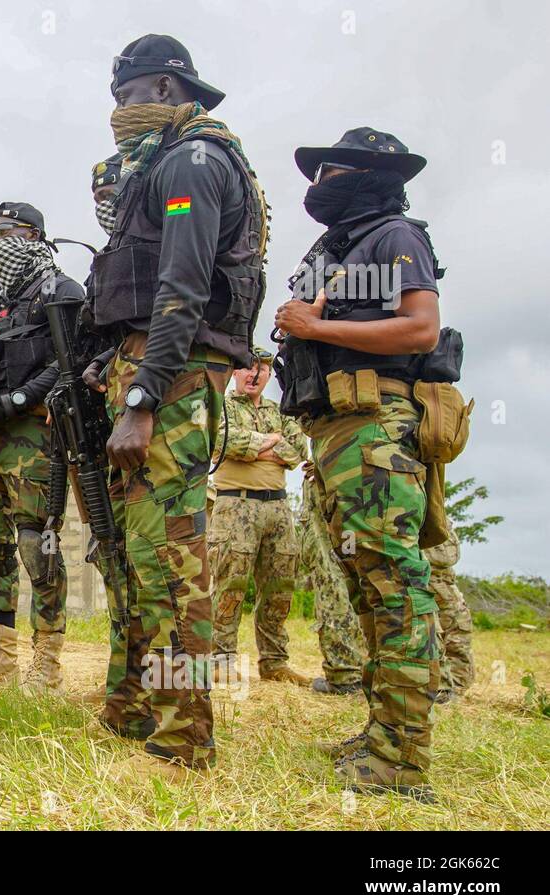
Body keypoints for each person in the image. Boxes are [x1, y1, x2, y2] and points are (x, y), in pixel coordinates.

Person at [82, 35, 268, 776]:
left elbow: (183, 288)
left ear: (164, 86)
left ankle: (184, 733)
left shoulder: (192, 162)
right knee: (132, 551)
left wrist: (142, 396)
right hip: (151, 368)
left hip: (174, 378)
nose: (120, 113)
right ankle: (133, 706)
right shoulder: (163, 162)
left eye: (128, 96)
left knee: (170, 561)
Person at [275, 126, 444, 800]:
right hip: (336, 432)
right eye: (315, 175)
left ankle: (404, 759)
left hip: (375, 425)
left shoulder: (395, 235)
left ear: (371, 175)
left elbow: (420, 327)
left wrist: (317, 328)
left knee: (395, 585)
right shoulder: (342, 247)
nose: (318, 186)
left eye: (332, 173)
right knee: (364, 584)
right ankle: (382, 733)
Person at [0, 203, 85, 691]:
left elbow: (68, 360)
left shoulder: (61, 290)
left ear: (35, 235)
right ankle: (0, 658)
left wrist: (16, 399)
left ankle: (48, 662)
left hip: (33, 436)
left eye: (9, 231)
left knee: (38, 545)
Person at [207, 350, 310, 686]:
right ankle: (220, 660)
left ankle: (275, 662)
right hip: (235, 505)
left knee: (280, 585)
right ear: (235, 372)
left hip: (278, 508)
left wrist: (253, 448)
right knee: (229, 584)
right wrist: (269, 443)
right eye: (247, 368)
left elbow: (298, 449)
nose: (253, 375)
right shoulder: (219, 407)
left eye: (261, 369)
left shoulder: (280, 410)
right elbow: (221, 441)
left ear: (268, 374)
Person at [297, 462, 366, 695]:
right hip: (380, 480)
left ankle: (345, 674)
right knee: (380, 574)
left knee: (333, 574)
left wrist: (327, 461)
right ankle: (402, 675)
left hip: (338, 475)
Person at [425, 526, 473, 703]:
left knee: (458, 637)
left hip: (444, 584)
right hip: (422, 582)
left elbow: (448, 556)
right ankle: (441, 689)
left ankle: (453, 691)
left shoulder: (436, 514)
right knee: (430, 637)